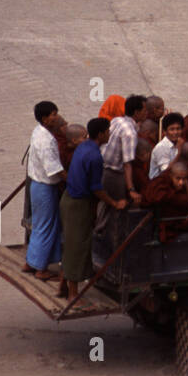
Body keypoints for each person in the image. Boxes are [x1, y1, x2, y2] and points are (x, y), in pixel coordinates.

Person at [59, 119, 123, 301]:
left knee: (71, 244)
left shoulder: (83, 147)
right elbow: (96, 189)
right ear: (101, 134)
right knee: (78, 247)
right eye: (108, 131)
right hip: (78, 205)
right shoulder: (95, 156)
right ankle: (73, 295)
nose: (109, 134)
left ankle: (63, 286)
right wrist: (114, 203)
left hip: (68, 199)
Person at [24, 101, 66, 282]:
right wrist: (71, 180)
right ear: (45, 118)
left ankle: (31, 261)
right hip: (45, 188)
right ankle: (40, 269)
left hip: (37, 186)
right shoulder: (46, 141)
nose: (56, 117)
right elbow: (54, 169)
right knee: (46, 227)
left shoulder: (38, 132)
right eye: (53, 115)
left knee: (39, 225)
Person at [149, 112, 185, 180]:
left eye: (178, 129)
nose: (175, 132)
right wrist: (179, 153)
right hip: (159, 181)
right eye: (172, 129)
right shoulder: (161, 147)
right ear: (165, 132)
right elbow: (166, 171)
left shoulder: (179, 143)